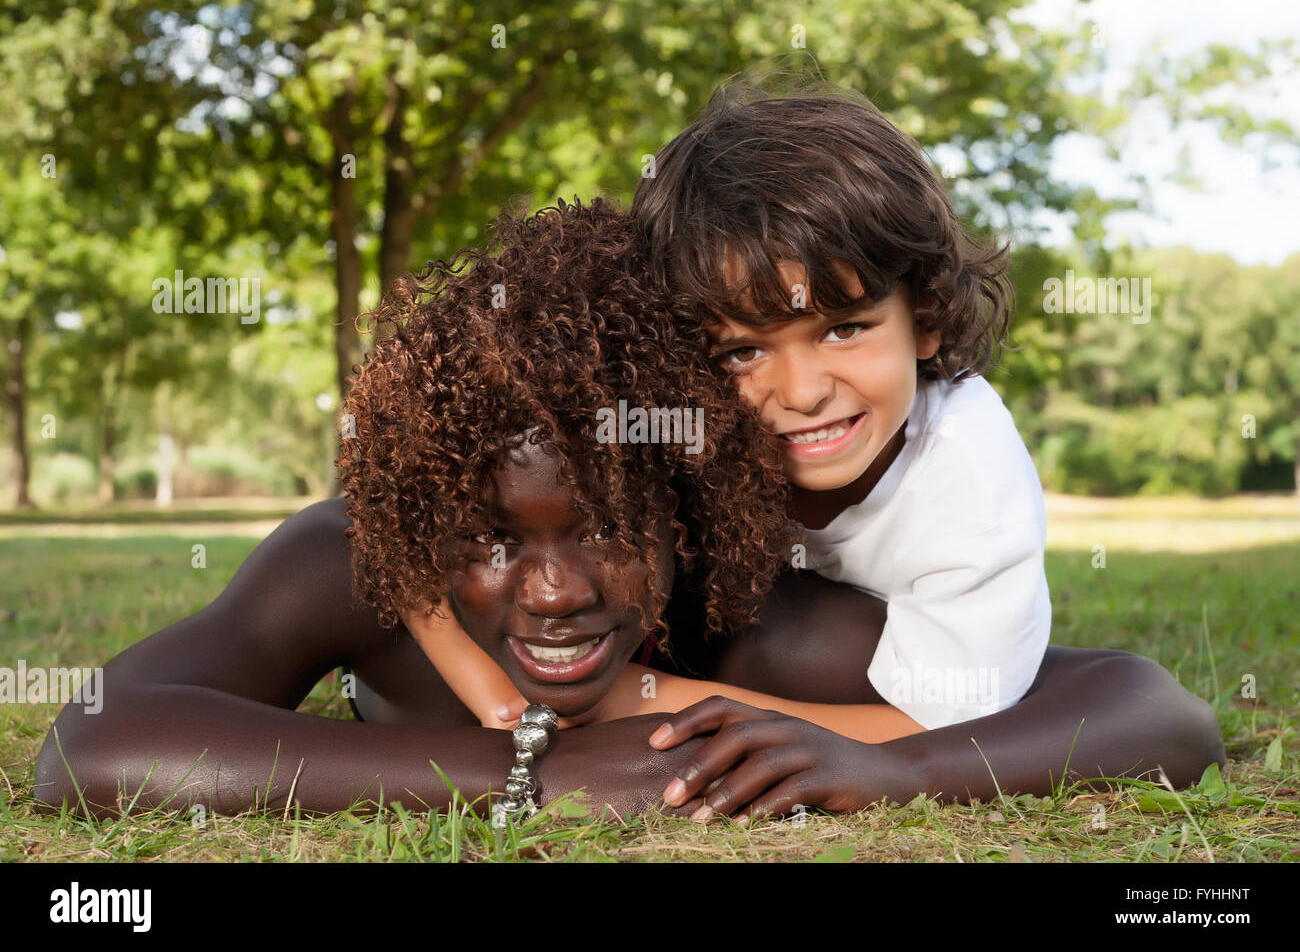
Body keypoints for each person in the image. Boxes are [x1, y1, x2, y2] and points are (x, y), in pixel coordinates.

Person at [33, 199, 1222, 826]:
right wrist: (520, 777)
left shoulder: (731, 606)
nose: (553, 590)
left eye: (604, 525)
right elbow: (90, 740)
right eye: (494, 540)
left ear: (683, 508)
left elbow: (1147, 705)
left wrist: (897, 770)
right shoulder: (350, 560)